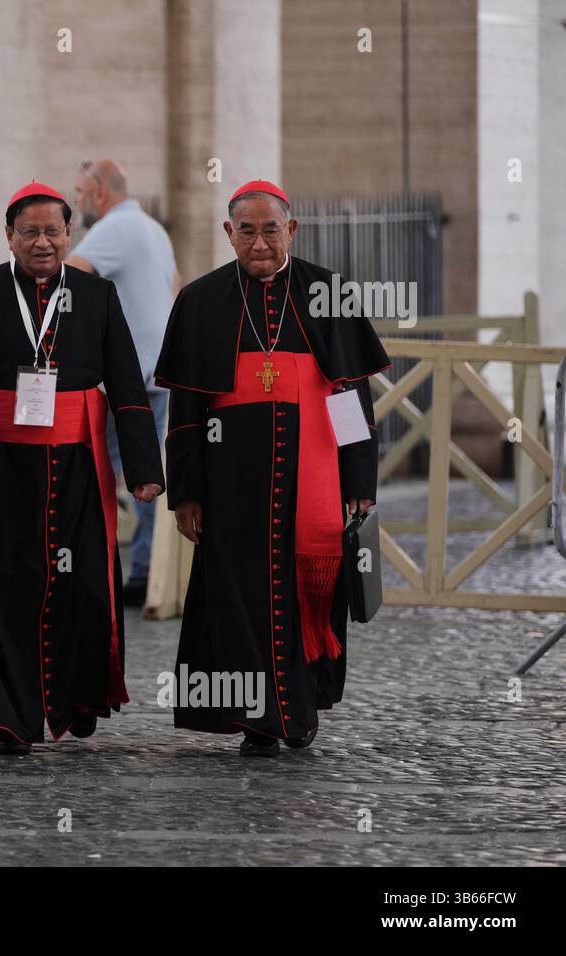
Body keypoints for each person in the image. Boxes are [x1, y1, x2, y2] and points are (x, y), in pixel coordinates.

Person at [153, 180, 390, 756]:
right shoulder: (202, 300)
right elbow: (186, 409)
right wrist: (186, 492)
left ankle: (300, 710)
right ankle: (258, 720)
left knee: (308, 595)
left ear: (293, 230)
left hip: (314, 474)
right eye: (247, 231)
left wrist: (359, 479)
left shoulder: (327, 293)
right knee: (240, 598)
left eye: (271, 229)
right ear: (228, 233)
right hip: (232, 483)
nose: (260, 243)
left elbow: (350, 396)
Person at [0, 182, 164, 754]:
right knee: (4, 587)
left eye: (53, 231)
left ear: (70, 235)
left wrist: (145, 466)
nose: (42, 242)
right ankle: (9, 716)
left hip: (78, 464)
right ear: (9, 236)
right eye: (30, 232)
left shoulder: (96, 296)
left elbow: (125, 385)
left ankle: (78, 696)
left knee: (86, 586)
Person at [67, 159, 177, 608]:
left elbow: (65, 281)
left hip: (126, 376)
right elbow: (175, 286)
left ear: (97, 192)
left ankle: (98, 572)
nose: (76, 202)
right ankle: (144, 573)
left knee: (94, 471)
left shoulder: (112, 229)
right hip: (157, 367)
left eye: (77, 193)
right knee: (144, 471)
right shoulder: (154, 229)